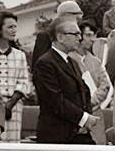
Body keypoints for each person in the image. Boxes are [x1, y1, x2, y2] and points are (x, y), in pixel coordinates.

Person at [31, 15, 96, 144]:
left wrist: (84, 122)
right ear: (60, 37)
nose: (80, 38)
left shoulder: (72, 62)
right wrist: (83, 118)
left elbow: (84, 92)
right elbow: (55, 100)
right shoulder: (45, 63)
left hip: (78, 134)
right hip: (57, 136)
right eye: (75, 34)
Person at [0, 11, 32, 142]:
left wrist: (9, 105)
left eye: (15, 26)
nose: (14, 30)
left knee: (12, 145)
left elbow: (24, 82)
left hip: (13, 108)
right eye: (10, 27)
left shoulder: (19, 55)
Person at [31, 0, 84, 67]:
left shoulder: (78, 35)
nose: (78, 24)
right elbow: (39, 65)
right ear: (65, 15)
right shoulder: (45, 36)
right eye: (77, 19)